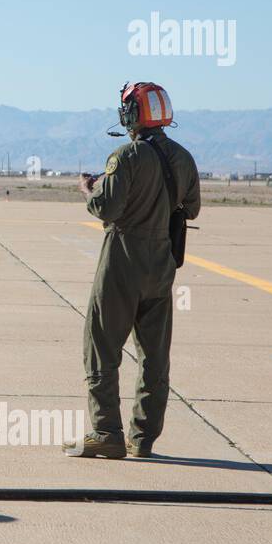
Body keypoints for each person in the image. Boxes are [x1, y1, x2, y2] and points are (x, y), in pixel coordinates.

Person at [66, 82, 200, 459]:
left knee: (100, 347)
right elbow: (191, 208)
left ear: (130, 115)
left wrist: (89, 189)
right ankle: (142, 439)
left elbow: (105, 209)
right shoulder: (184, 158)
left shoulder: (125, 156)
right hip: (161, 263)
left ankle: (106, 431)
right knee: (154, 355)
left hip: (123, 259)